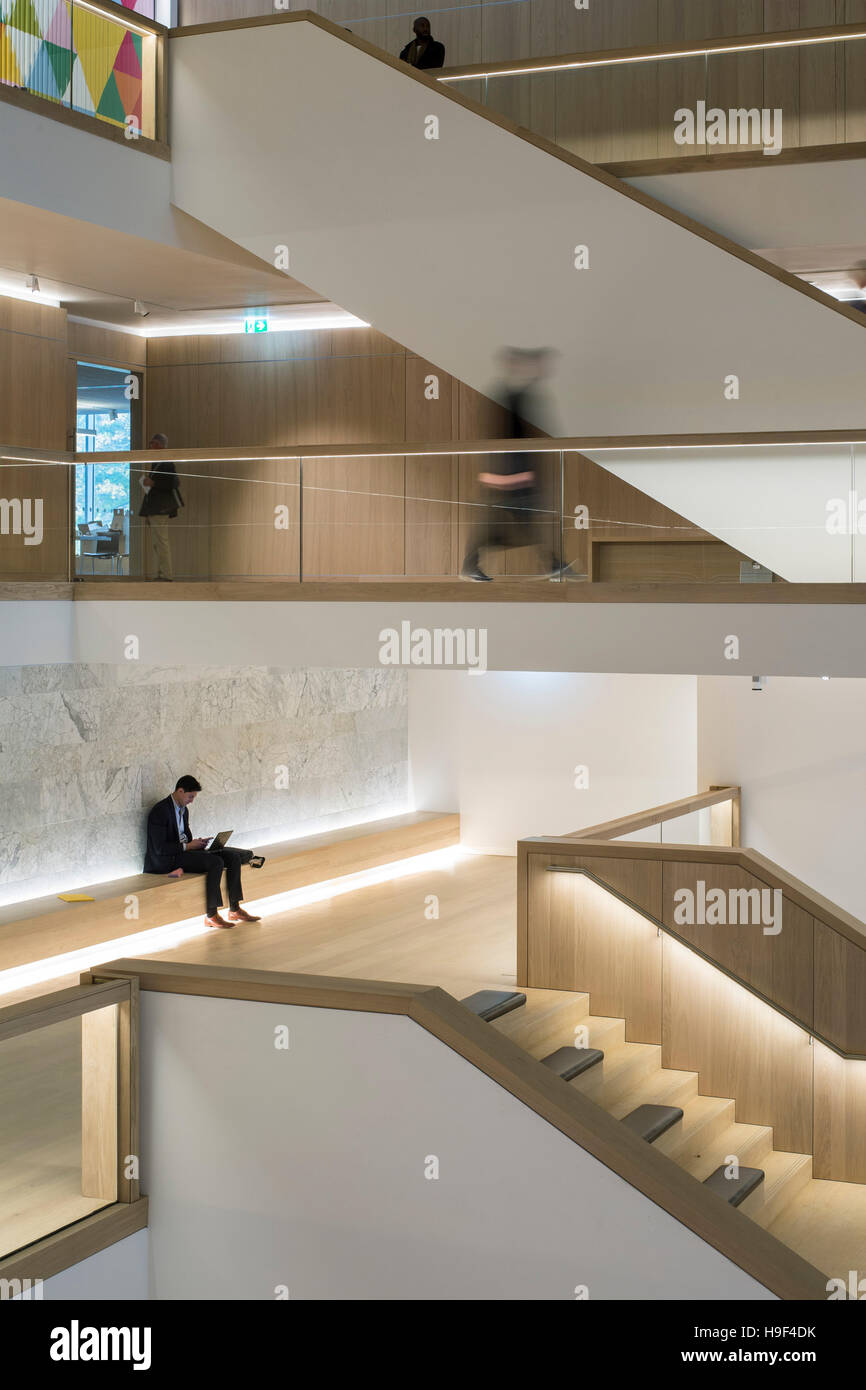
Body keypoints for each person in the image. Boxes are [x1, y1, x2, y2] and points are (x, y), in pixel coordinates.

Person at [461, 348, 579, 582]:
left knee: (518, 521)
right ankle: (553, 564)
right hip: (510, 476)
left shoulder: (511, 395)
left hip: (511, 476)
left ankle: (553, 563)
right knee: (514, 521)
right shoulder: (508, 397)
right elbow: (507, 440)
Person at [144, 775, 261, 929]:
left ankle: (235, 909)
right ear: (180, 791)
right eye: (190, 796)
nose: (192, 801)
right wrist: (188, 846)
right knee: (216, 862)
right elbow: (160, 848)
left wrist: (197, 843)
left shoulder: (183, 810)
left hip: (183, 852)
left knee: (232, 858)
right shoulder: (160, 811)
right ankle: (211, 915)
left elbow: (186, 837)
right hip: (167, 860)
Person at [139, 432, 182, 581]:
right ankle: (161, 573)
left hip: (160, 506)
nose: (150, 446)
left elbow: (174, 483)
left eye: (152, 443)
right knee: (157, 543)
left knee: (161, 541)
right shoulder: (157, 462)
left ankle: (166, 574)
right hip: (155, 506)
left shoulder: (166, 462)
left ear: (158, 444)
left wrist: (153, 483)